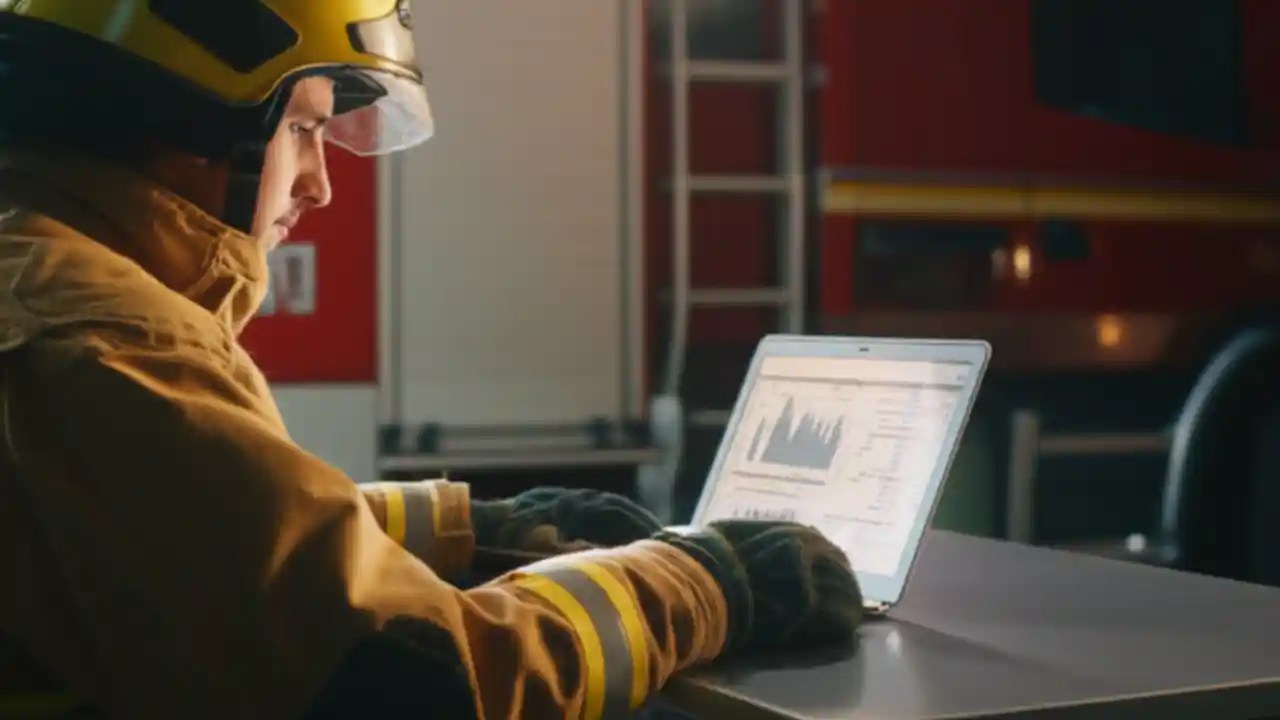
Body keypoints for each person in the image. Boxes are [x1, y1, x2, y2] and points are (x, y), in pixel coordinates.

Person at [0, 2, 864, 718]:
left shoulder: (37, 278)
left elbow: (207, 538)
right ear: (179, 121)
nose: (318, 182)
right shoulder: (112, 346)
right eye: (302, 128)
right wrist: (705, 583)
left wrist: (471, 526)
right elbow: (422, 676)